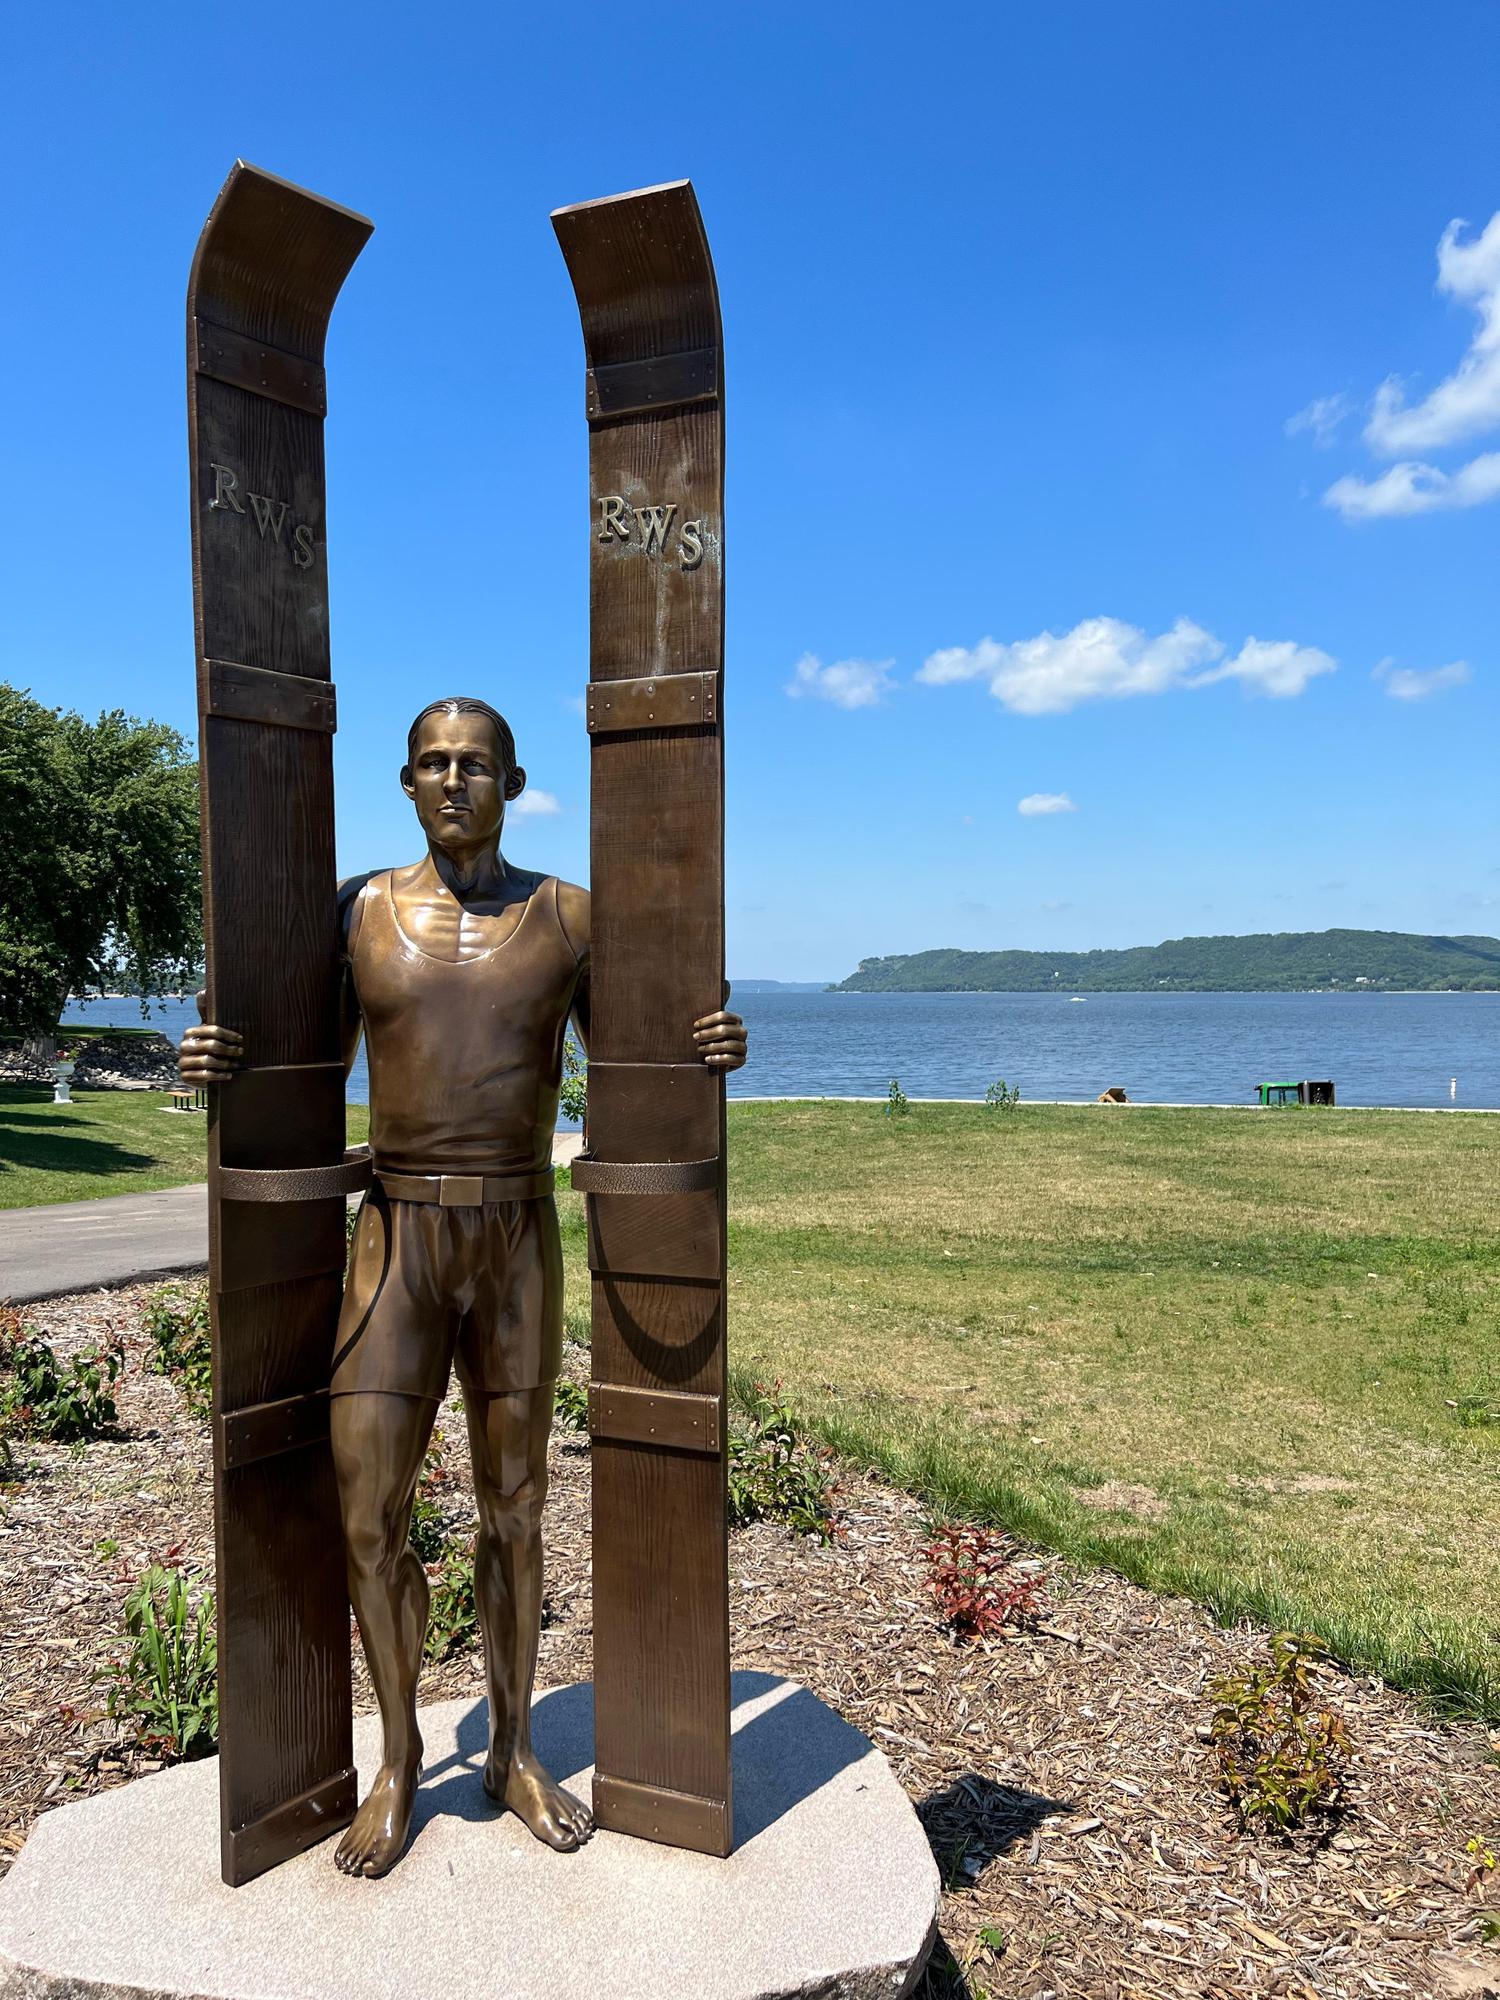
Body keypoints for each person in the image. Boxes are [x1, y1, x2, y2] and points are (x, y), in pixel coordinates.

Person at [180, 695, 747, 1878]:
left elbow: (638, 1060)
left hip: (514, 1240)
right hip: (395, 1238)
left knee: (516, 1507)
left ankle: (514, 1747)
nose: (453, 780)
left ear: (513, 783)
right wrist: (219, 1067)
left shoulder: (570, 917)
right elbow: (300, 1071)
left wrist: (709, 1054)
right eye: (433, 762)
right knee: (365, 1510)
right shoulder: (358, 914)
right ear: (405, 782)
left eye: (475, 764)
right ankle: (397, 1759)